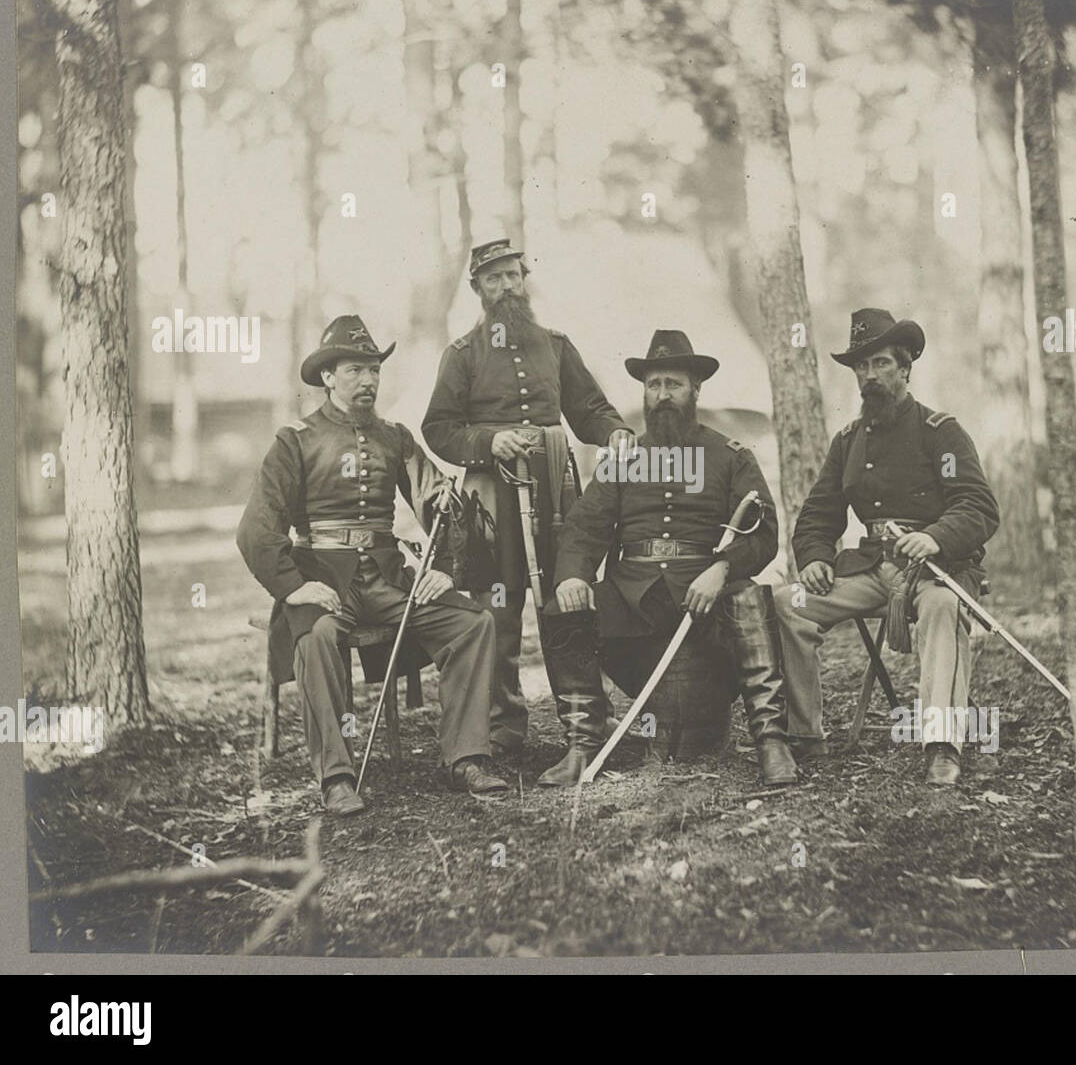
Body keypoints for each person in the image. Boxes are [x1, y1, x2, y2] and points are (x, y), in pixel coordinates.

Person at [238, 315, 508, 815]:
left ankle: (467, 758)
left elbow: (439, 503)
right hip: (322, 580)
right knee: (316, 638)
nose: (368, 381)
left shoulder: (395, 438)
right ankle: (337, 777)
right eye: (355, 370)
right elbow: (256, 526)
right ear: (327, 378)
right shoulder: (295, 440)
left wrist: (446, 565)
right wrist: (293, 588)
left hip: (387, 581)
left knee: (472, 622)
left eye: (374, 371)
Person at [548, 330, 799, 788]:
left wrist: (722, 569)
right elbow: (585, 528)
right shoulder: (623, 460)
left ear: (696, 390)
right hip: (634, 595)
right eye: (654, 384)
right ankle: (582, 744)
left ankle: (771, 741)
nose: (662, 395)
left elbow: (763, 532)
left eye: (673, 385)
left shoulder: (730, 456)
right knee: (563, 607)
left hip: (706, 596)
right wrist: (572, 576)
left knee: (750, 599)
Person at [422, 239, 636, 757]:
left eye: (513, 276)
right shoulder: (462, 355)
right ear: (477, 289)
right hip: (490, 498)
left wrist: (615, 433)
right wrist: (488, 441)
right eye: (493, 279)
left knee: (565, 596)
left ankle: (586, 724)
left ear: (525, 280)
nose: (505, 287)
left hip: (553, 489)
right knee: (496, 607)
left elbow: (589, 408)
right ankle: (503, 728)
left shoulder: (556, 346)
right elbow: (439, 428)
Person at [773, 309, 999, 786]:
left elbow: (977, 505)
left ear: (904, 367)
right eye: (861, 367)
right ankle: (806, 736)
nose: (869, 377)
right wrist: (814, 557)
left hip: (937, 570)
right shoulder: (848, 441)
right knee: (787, 602)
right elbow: (818, 513)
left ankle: (941, 744)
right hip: (873, 568)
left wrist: (934, 536)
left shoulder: (941, 432)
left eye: (879, 364)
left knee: (942, 606)